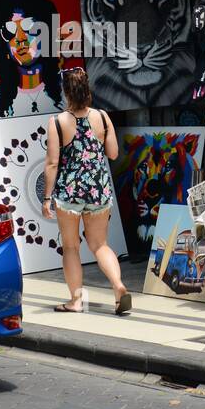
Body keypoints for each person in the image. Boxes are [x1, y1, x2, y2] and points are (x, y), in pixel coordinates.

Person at [42, 67, 131, 315]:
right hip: (98, 191)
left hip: (69, 194)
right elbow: (112, 154)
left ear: (66, 92)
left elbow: (51, 163)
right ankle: (118, 286)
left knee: (71, 247)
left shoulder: (58, 122)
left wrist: (47, 198)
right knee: (100, 244)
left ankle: (76, 301)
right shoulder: (102, 117)